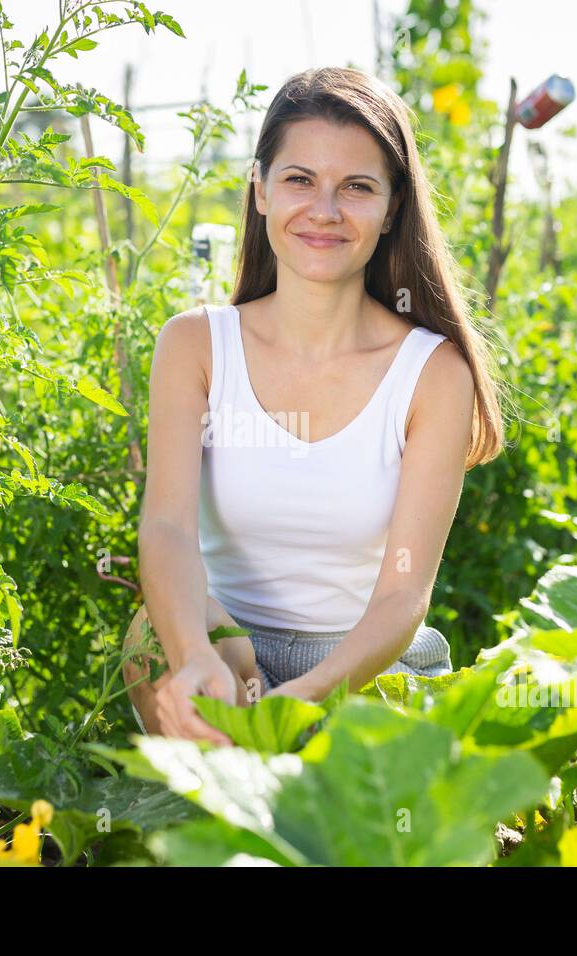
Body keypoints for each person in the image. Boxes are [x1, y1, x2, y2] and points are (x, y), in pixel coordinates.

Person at [122, 66, 504, 745]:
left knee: (341, 821)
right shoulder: (195, 346)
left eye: (356, 187)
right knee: (153, 640)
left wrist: (300, 700)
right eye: (299, 179)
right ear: (261, 190)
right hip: (224, 654)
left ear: (392, 209)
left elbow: (402, 597)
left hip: (367, 673)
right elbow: (169, 530)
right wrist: (195, 656)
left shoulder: (432, 374)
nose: (324, 210)